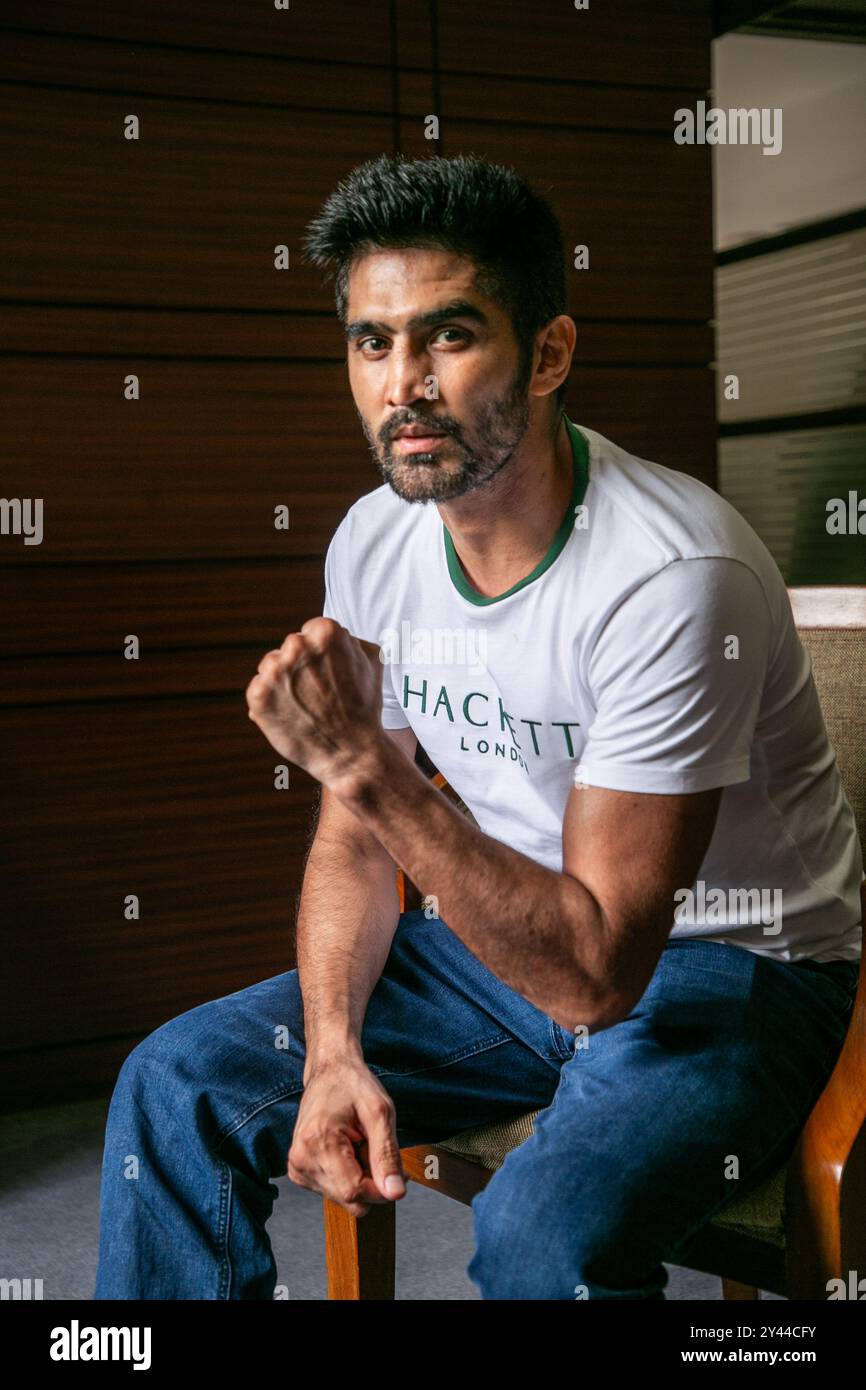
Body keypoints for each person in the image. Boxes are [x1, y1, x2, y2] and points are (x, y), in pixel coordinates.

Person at [94, 154, 862, 1300]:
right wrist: (334, 1050)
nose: (402, 384)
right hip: (497, 949)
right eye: (370, 342)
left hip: (727, 968)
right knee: (173, 1086)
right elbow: (355, 840)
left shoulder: (669, 574)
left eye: (447, 338)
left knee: (538, 1235)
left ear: (547, 353)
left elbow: (598, 973)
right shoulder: (374, 538)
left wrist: (363, 764)